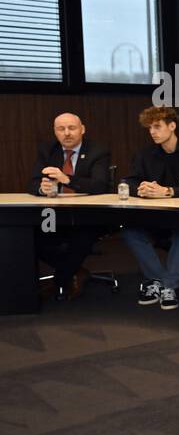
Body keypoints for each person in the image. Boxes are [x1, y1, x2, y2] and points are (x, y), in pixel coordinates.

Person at [121, 106, 179, 311]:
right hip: (153, 217)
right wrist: (142, 189)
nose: (152, 132)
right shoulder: (145, 155)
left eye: (157, 126)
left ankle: (168, 286)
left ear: (172, 126)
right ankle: (159, 279)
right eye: (149, 128)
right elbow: (128, 182)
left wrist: (168, 192)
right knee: (129, 230)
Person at [27, 113, 112, 301]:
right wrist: (43, 188)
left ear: (82, 129)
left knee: (82, 237)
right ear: (55, 132)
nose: (67, 133)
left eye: (72, 128)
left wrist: (66, 179)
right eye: (61, 129)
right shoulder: (48, 150)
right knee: (34, 237)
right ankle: (76, 272)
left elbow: (100, 185)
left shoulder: (98, 151)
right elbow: (32, 183)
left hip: (89, 215)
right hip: (54, 215)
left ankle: (59, 280)